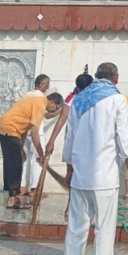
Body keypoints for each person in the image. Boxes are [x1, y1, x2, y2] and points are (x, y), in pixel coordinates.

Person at [60, 63, 128, 255]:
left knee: (76, 230)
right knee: (103, 231)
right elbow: (125, 141)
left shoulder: (79, 100)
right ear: (116, 78)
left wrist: (70, 170)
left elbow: (69, 139)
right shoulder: (117, 100)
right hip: (103, 176)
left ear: (95, 77)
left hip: (81, 175)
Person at [0, 84, 63, 209]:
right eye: (55, 108)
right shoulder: (40, 105)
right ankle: (12, 199)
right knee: (15, 164)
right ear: (52, 101)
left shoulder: (37, 101)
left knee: (14, 162)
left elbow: (25, 128)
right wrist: (41, 154)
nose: (51, 112)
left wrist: (21, 148)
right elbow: (35, 133)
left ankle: (12, 196)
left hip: (8, 128)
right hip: (9, 129)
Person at [46, 72, 95, 222]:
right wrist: (51, 141)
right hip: (78, 144)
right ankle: (70, 208)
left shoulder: (94, 99)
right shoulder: (72, 99)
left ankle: (81, 208)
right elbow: (62, 120)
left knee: (82, 178)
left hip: (85, 144)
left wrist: (52, 141)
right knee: (72, 177)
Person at [19, 74, 52, 201]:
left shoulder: (27, 95)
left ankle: (21, 187)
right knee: (38, 159)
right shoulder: (41, 98)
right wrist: (62, 110)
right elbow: (47, 116)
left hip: (24, 132)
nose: (48, 86)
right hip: (36, 131)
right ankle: (34, 189)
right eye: (47, 84)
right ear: (41, 85)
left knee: (24, 160)